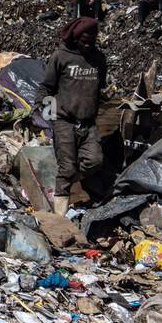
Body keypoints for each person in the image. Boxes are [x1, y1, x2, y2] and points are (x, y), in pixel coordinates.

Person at [39, 15, 107, 214]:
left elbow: (100, 88)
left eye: (91, 41)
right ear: (75, 39)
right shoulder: (61, 56)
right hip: (64, 121)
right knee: (66, 168)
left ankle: (70, 182)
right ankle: (59, 216)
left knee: (95, 161)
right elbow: (46, 87)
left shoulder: (98, 59)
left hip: (88, 123)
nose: (87, 45)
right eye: (84, 41)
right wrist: (42, 112)